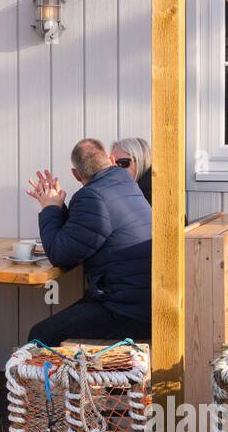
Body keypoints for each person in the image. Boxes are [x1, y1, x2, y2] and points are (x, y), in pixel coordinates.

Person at [24, 138, 152, 345]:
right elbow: (83, 235)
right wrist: (58, 205)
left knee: (40, 336)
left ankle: (45, 378)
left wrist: (50, 209)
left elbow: (60, 254)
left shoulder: (92, 197)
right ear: (110, 160)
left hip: (126, 310)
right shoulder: (126, 184)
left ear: (75, 174)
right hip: (140, 301)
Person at [111, 136, 152, 204]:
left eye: (123, 163)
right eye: (112, 163)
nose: (115, 170)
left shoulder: (153, 196)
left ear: (141, 161)